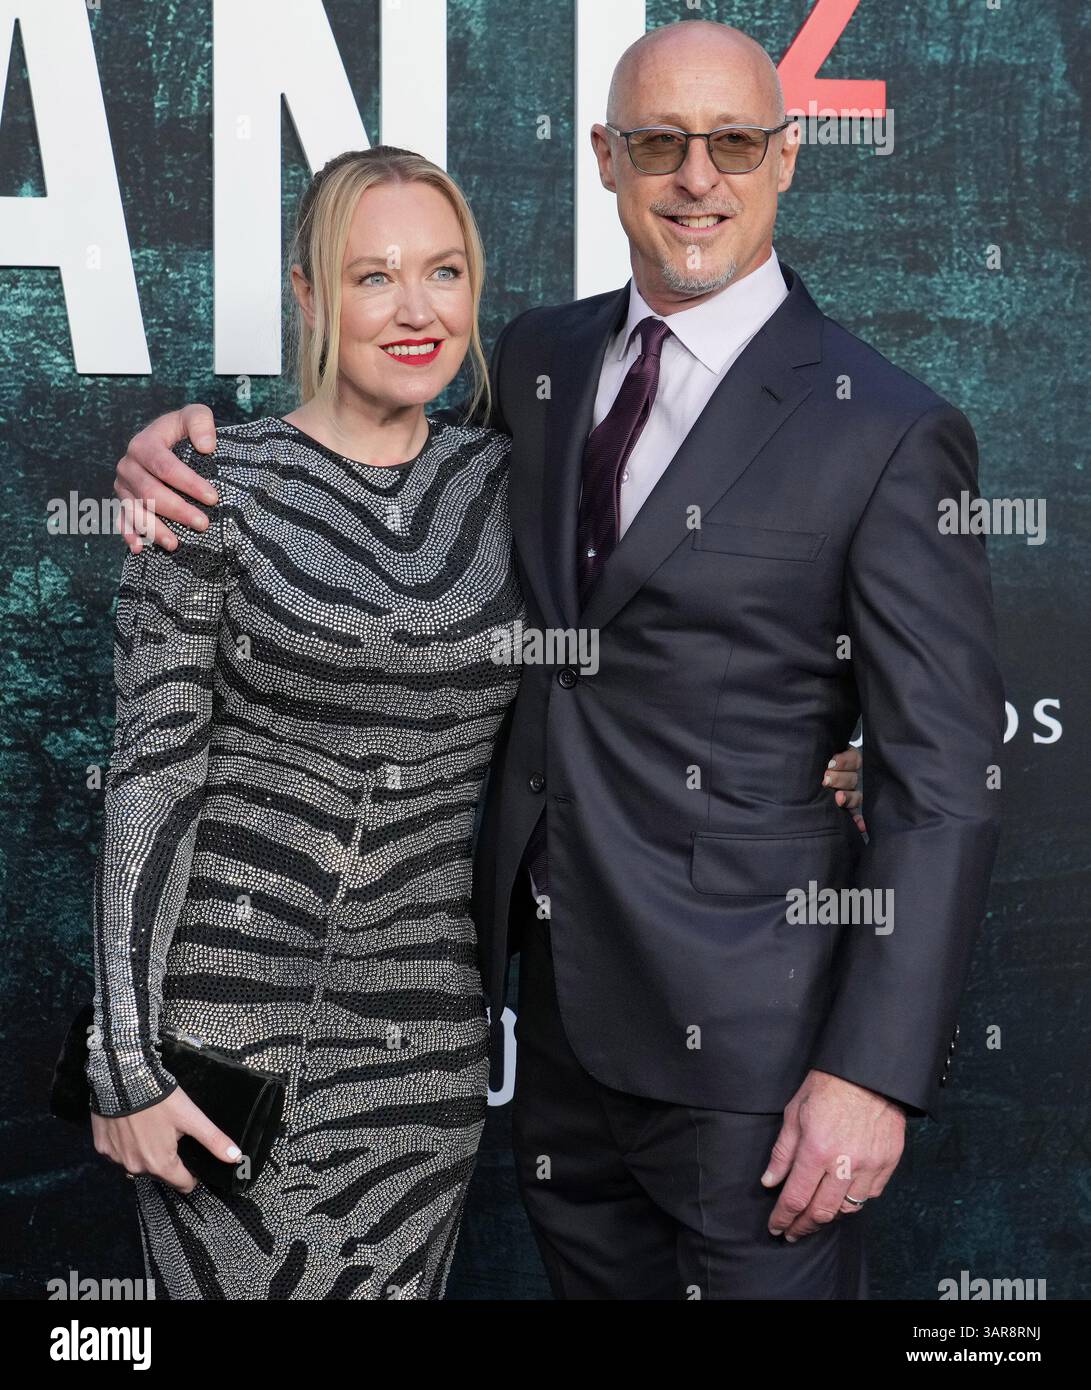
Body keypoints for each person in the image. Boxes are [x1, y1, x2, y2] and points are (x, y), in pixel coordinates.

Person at [107, 24, 934, 1303]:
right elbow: (154, 767)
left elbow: (941, 770)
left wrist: (869, 1062)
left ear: (785, 159)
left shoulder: (873, 427)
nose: (694, 177)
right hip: (392, 1036)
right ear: (604, 158)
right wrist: (159, 451)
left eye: (441, 271)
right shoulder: (534, 376)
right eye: (657, 142)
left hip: (664, 1058)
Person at [87, 147, 525, 1300]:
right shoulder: (207, 484)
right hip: (223, 1048)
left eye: (444, 271)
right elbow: (150, 777)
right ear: (307, 293)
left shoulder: (511, 484)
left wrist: (846, 741)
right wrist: (123, 1063)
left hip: (424, 1056)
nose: (416, 308)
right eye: (372, 275)